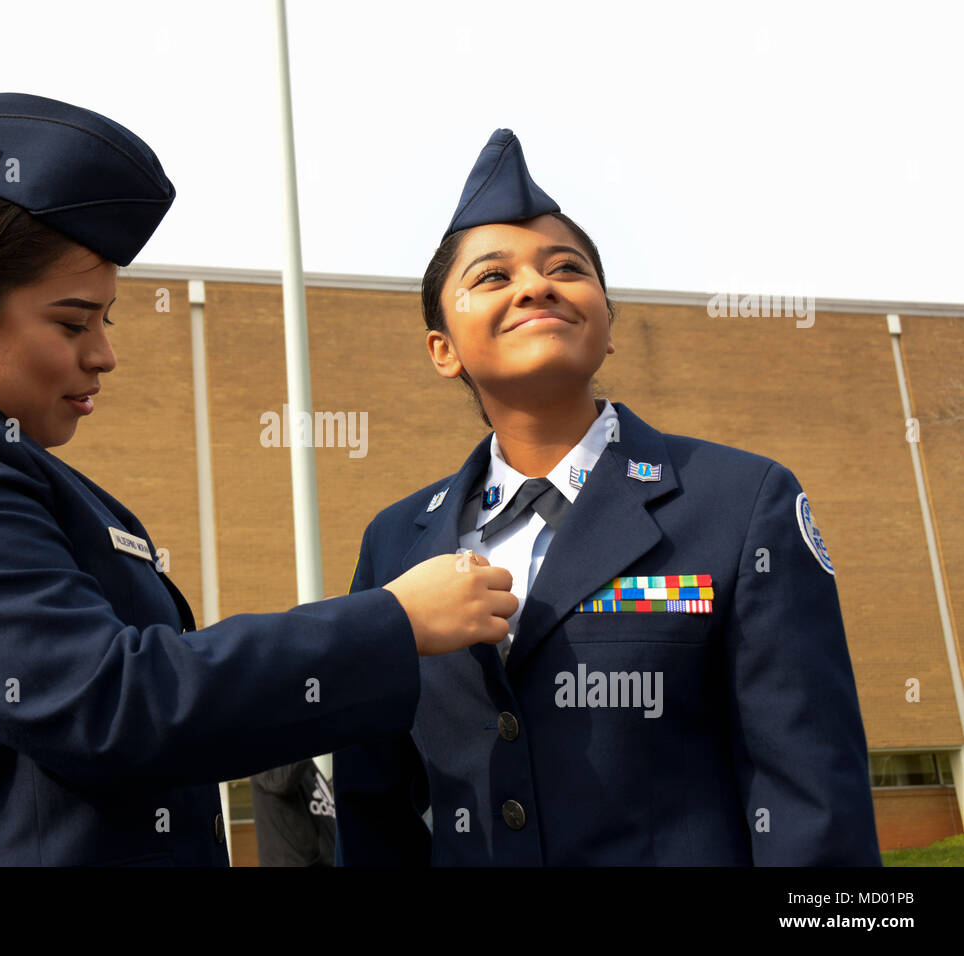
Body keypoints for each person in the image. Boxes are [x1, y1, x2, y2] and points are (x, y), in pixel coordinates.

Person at [0, 93, 517, 866]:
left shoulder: (27, 473)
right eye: (73, 322)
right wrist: (392, 624)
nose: (104, 353)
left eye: (106, 320)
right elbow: (109, 705)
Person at [332, 129, 882, 866]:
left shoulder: (740, 502)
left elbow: (812, 794)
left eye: (568, 268)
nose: (537, 286)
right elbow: (374, 806)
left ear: (608, 326)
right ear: (444, 350)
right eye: (493, 277)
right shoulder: (396, 541)